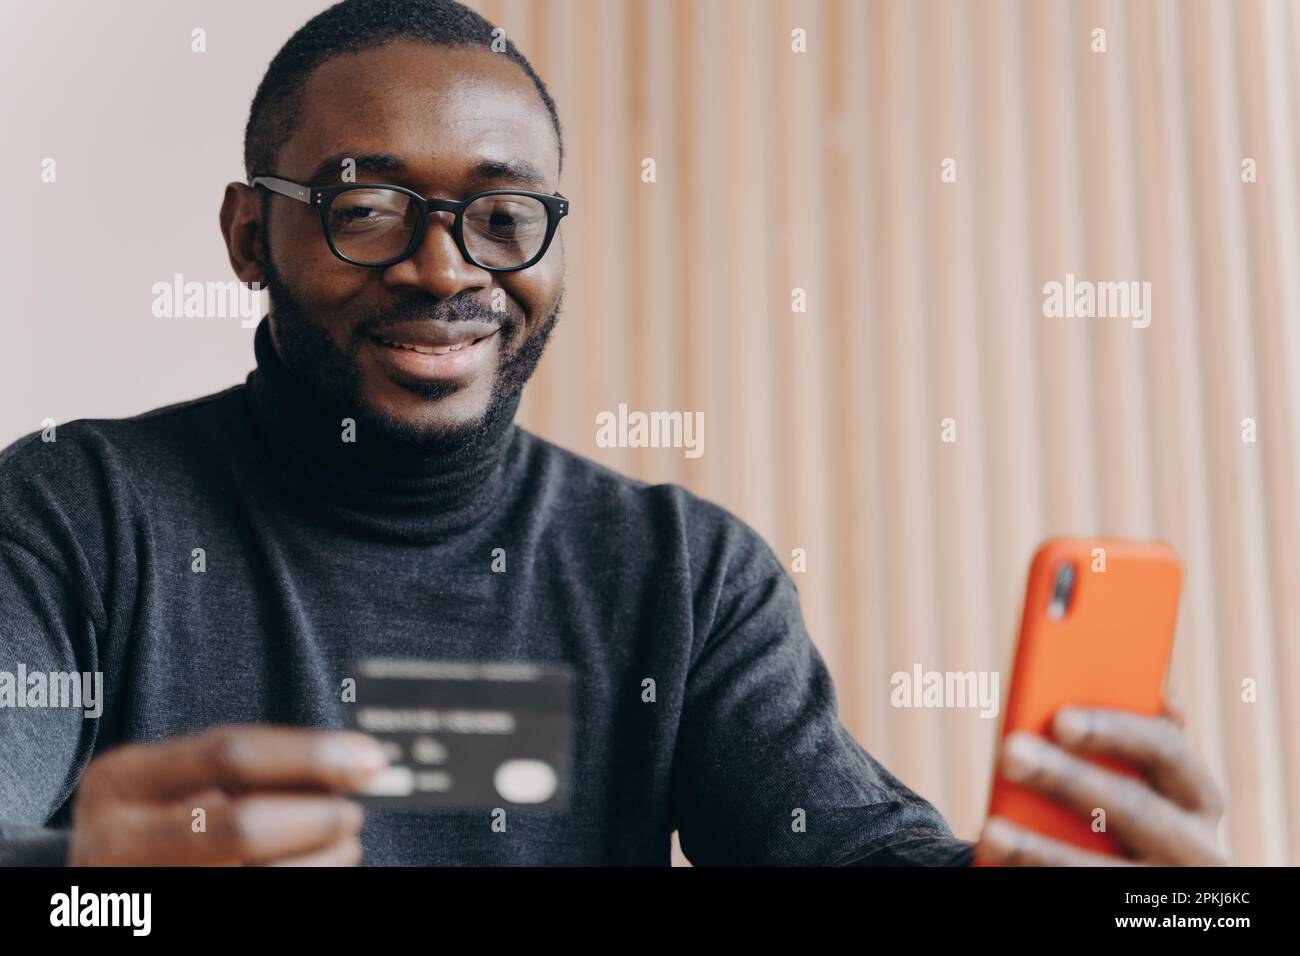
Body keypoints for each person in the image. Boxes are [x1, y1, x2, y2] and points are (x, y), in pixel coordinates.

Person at [0, 0, 1225, 866]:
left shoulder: (681, 571)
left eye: (503, 213)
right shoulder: (75, 509)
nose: (443, 267)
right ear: (246, 235)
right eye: (365, 206)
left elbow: (846, 849)